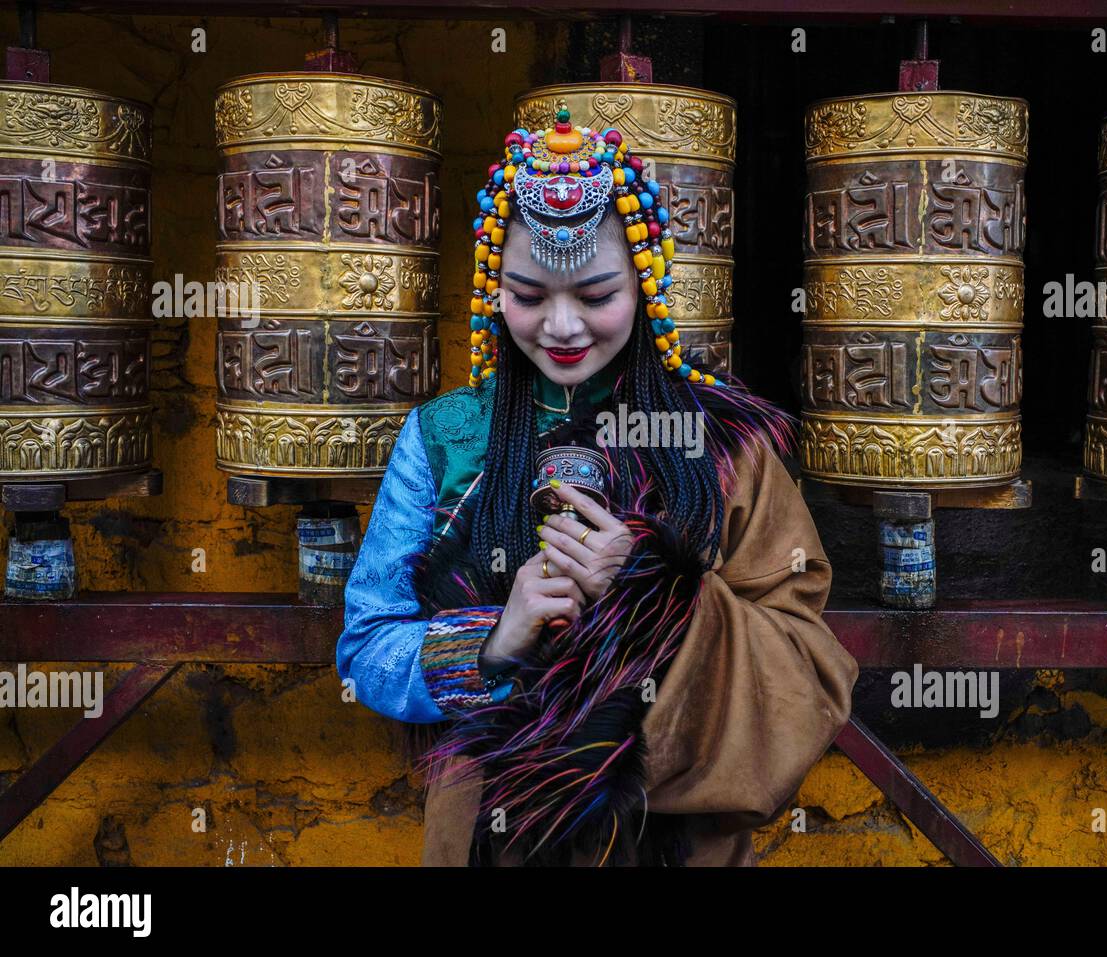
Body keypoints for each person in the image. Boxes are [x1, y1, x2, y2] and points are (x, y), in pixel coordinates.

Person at [336, 106, 859, 866]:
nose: (560, 326)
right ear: (494, 285)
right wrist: (489, 643)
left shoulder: (719, 445)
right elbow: (366, 646)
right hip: (494, 836)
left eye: (595, 294)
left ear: (645, 284)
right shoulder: (444, 438)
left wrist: (656, 595)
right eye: (527, 293)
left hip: (679, 839)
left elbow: (807, 661)